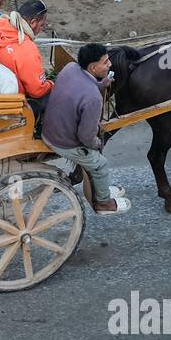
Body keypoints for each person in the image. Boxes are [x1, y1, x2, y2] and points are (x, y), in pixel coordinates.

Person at [41, 43, 131, 215]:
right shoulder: (93, 99)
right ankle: (103, 203)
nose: (110, 64)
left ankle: (101, 189)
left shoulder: (70, 68)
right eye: (105, 62)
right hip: (63, 142)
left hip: (50, 129)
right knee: (100, 164)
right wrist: (98, 143)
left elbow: (80, 88)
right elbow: (85, 137)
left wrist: (101, 84)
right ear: (93, 67)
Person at [0, 0, 54, 120]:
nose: (41, 29)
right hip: (9, 99)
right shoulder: (26, 48)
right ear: (33, 22)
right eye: (42, 25)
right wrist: (51, 85)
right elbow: (37, 91)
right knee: (50, 97)